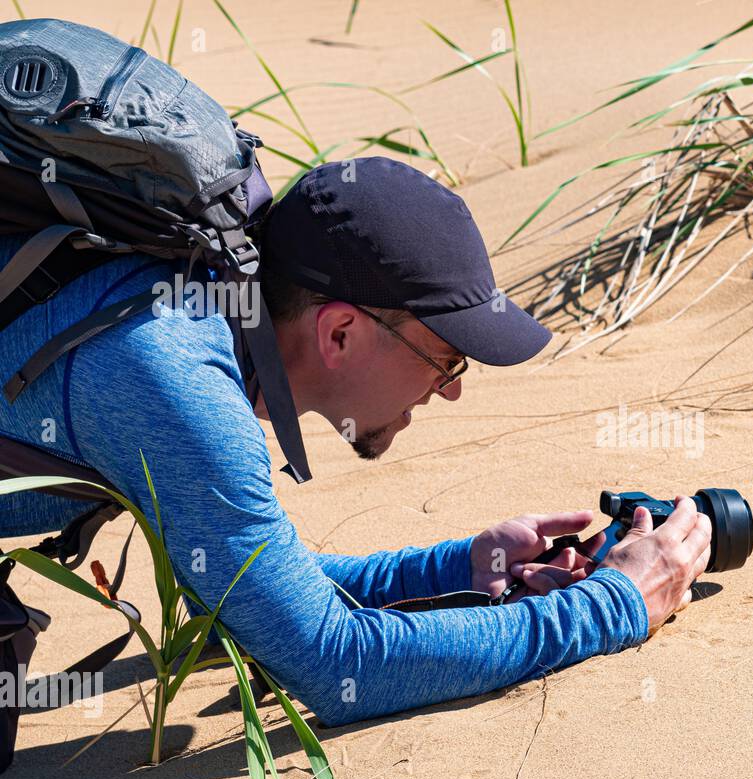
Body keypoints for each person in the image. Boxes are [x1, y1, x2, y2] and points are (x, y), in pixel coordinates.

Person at [0, 157, 710, 725]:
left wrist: (458, 570)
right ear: (340, 333)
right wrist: (617, 603)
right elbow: (338, 666)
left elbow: (241, 606)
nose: (452, 388)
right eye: (446, 359)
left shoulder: (193, 317)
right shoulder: (170, 372)